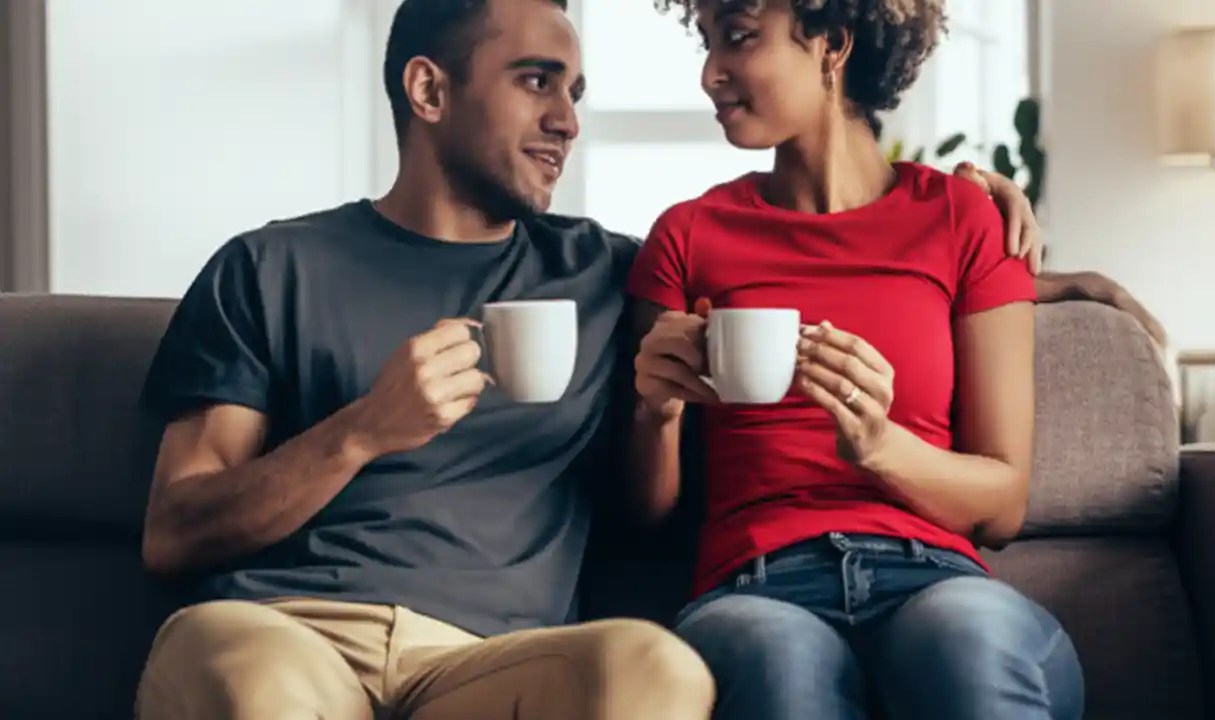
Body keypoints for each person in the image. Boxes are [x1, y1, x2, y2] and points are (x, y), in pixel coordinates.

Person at [134, 0, 1068, 718]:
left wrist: (1033, 244)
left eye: (575, 93)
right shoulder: (269, 267)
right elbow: (173, 531)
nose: (569, 122)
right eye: (537, 82)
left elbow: (856, 279)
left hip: (489, 660)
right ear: (428, 91)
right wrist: (360, 434)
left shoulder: (601, 270)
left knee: (656, 668)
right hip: (287, 634)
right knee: (255, 686)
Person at [628, 1, 1085, 719]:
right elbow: (644, 519)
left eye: (739, 39)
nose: (711, 74)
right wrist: (654, 412)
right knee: (776, 664)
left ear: (832, 45)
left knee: (966, 642)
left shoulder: (966, 220)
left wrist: (881, 447)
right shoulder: (688, 236)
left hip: (937, 581)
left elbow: (1002, 506)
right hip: (754, 584)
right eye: (708, 43)